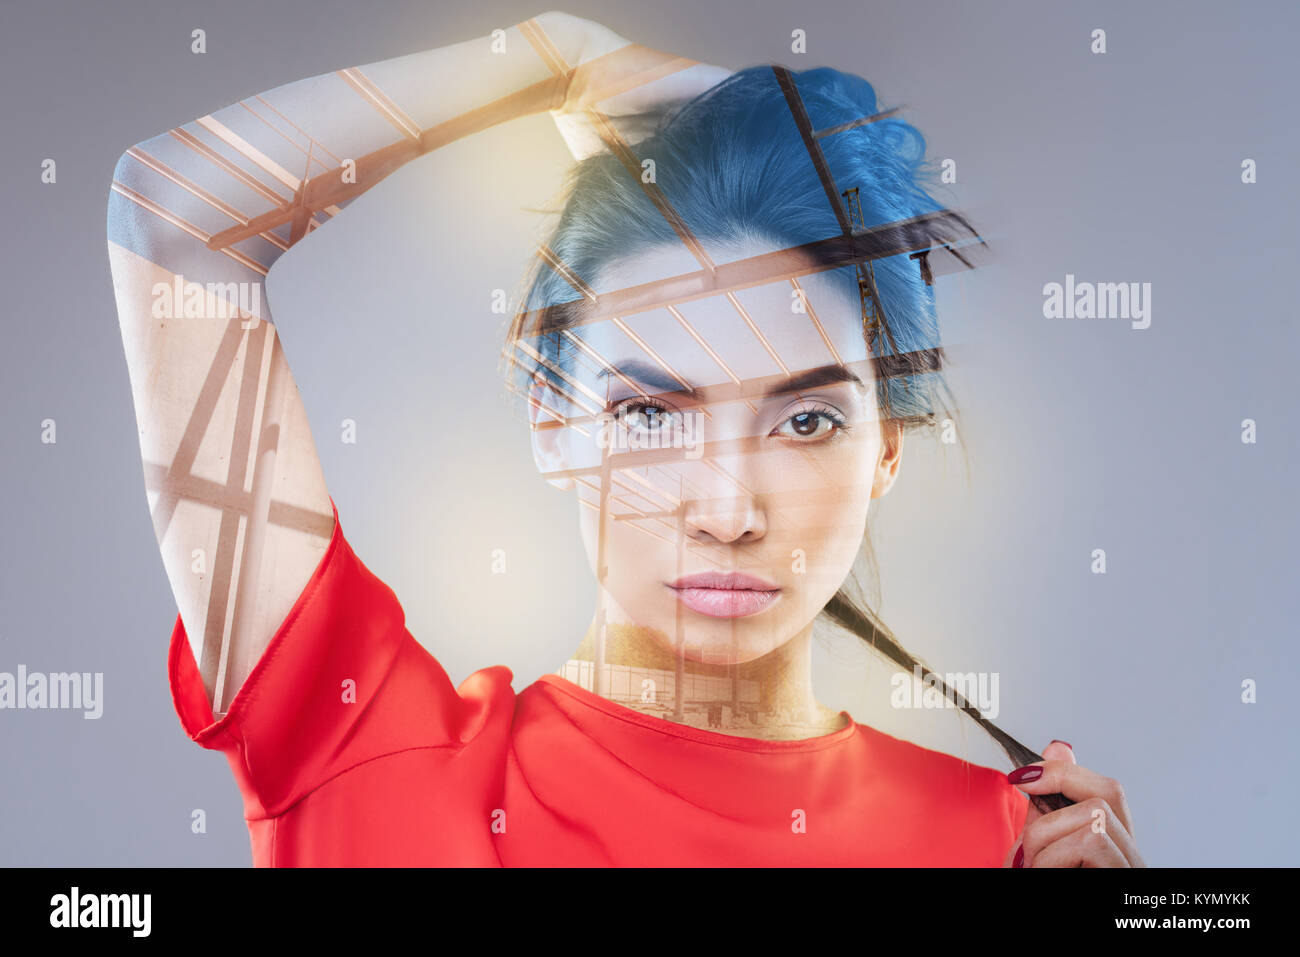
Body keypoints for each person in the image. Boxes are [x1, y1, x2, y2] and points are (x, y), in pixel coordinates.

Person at [106, 11, 1143, 867]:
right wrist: (558, 59)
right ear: (550, 424)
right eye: (649, 414)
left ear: (885, 449)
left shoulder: (998, 838)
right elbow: (179, 211)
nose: (730, 514)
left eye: (808, 418)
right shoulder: (362, 748)